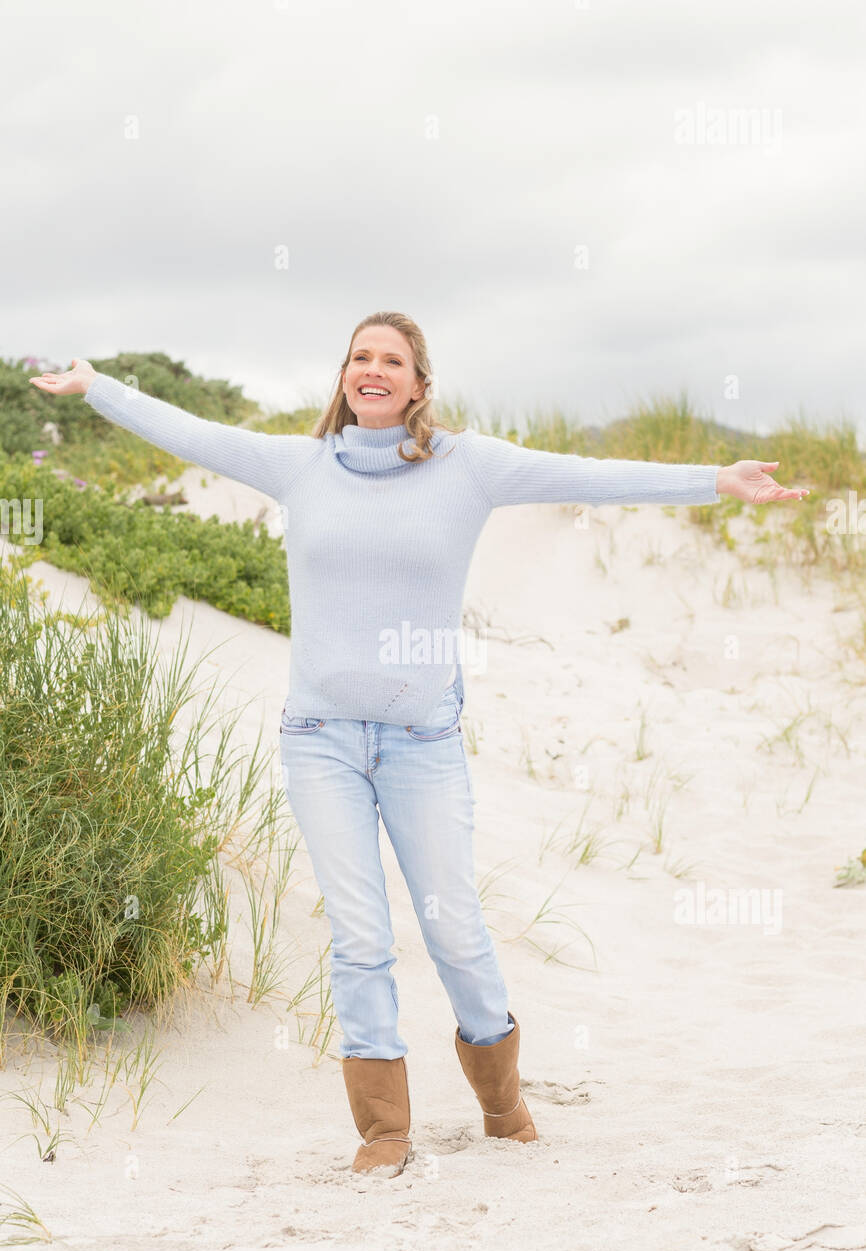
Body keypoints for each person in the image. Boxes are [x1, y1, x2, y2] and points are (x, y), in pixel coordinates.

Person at [29, 312, 809, 1178]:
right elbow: (194, 433)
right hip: (320, 740)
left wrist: (717, 480)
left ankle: (502, 1102)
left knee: (455, 931)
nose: (372, 369)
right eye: (359, 357)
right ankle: (384, 1132)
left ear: (418, 384)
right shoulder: (301, 465)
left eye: (391, 360)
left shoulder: (467, 467)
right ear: (344, 376)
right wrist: (96, 387)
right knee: (359, 936)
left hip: (421, 744)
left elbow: (587, 472)